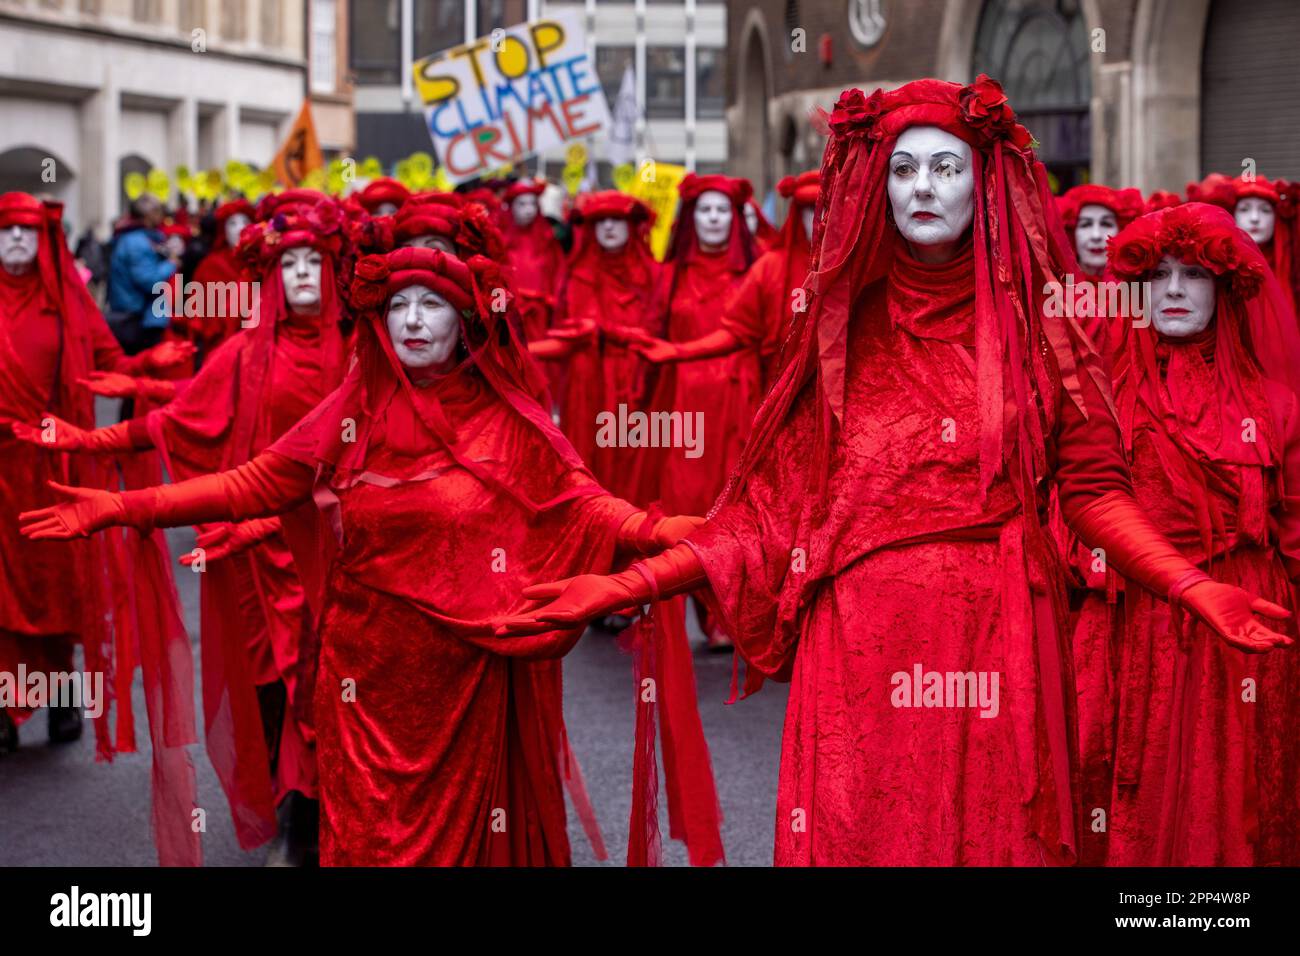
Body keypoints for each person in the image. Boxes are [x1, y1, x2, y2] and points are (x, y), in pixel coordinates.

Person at [496, 78, 1294, 866]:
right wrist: (627, 585)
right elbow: (764, 518)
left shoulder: (1044, 331)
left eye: (946, 169)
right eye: (903, 168)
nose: (922, 187)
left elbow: (1092, 491)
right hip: (857, 648)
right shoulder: (838, 332)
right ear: (876, 184)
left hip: (1000, 643)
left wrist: (1187, 585)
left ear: (985, 185)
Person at [19, 246, 716, 867]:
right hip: (362, 687)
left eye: (432, 304)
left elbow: (585, 507)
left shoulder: (512, 422)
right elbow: (251, 484)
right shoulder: (354, 411)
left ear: (465, 323)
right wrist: (121, 508)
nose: (412, 320)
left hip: (467, 690)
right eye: (397, 306)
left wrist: (661, 533)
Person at [15, 198, 353, 866]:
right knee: (273, 686)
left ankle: (322, 818)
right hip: (257, 563)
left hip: (343, 556)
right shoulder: (243, 351)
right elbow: (174, 421)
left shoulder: (365, 353)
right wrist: (90, 436)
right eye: (292, 262)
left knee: (330, 690)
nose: (305, 274)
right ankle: (294, 810)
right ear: (273, 273)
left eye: (317, 260)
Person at [1072, 203, 1300, 865]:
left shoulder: (1280, 408)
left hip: (1247, 638)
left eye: (1194, 274)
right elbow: (1067, 518)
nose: (1172, 289)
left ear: (1225, 288)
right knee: (1126, 805)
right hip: (1129, 628)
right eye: (1159, 275)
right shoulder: (1097, 401)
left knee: (1237, 808)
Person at [0, 191, 199, 865]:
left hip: (54, 461)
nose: (18, 243)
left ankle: (57, 700)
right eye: (7, 233)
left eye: (29, 232)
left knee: (58, 587)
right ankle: (4, 710)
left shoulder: (67, 301)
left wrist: (154, 371)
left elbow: (108, 358)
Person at [632, 170, 820, 399]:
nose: (713, 218)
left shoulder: (759, 265)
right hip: (690, 394)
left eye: (722, 210)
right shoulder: (770, 268)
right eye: (811, 210)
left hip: (748, 395)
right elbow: (737, 333)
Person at [532, 191, 661, 501]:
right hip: (585, 385)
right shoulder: (576, 276)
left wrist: (605, 332)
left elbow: (658, 335)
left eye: (616, 220)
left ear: (631, 226)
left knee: (636, 463)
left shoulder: (653, 275)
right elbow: (563, 338)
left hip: (636, 382)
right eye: (600, 221)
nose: (608, 228)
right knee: (587, 461)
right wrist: (524, 349)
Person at [107, 194, 180, 354]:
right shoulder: (136, 242)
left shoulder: (140, 238)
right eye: (158, 211)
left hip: (139, 317)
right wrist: (171, 264)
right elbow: (149, 281)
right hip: (136, 320)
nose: (162, 216)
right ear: (149, 215)